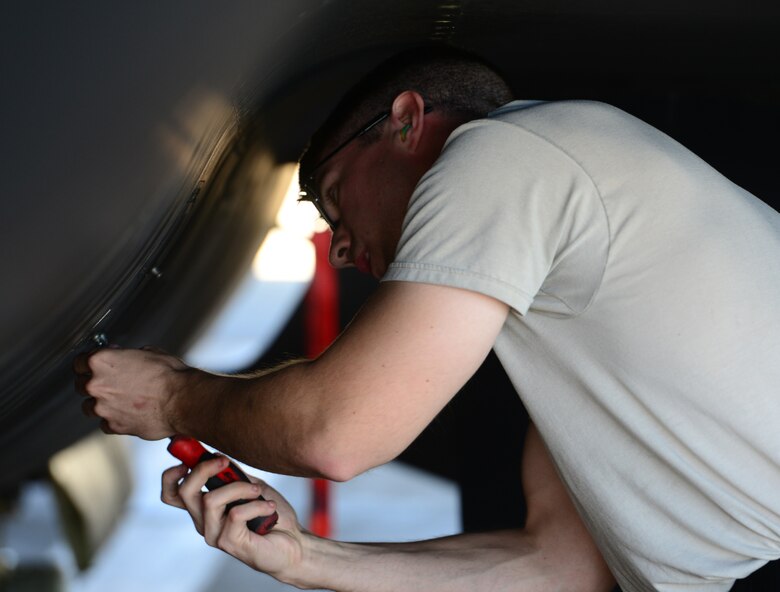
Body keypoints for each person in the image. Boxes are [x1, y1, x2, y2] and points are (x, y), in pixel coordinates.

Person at [74, 47, 780, 591]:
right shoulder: (574, 314)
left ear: (408, 122)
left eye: (333, 199)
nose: (342, 248)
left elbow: (335, 433)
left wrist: (171, 397)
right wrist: (308, 559)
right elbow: (559, 568)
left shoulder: (503, 151)